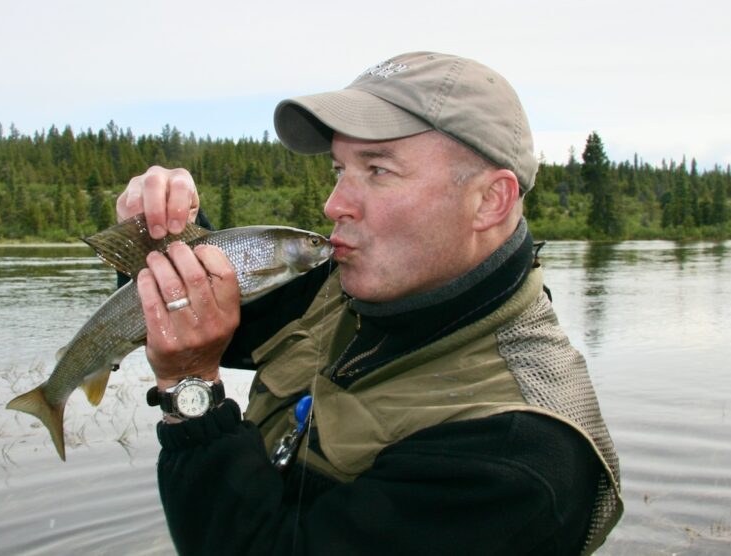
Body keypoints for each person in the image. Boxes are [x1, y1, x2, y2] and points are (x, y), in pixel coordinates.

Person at [116, 51, 623, 555]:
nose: (333, 204)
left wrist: (191, 391)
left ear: (490, 201)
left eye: (378, 169)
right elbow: (203, 311)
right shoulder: (356, 282)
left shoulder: (517, 457)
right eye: (341, 168)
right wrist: (160, 238)